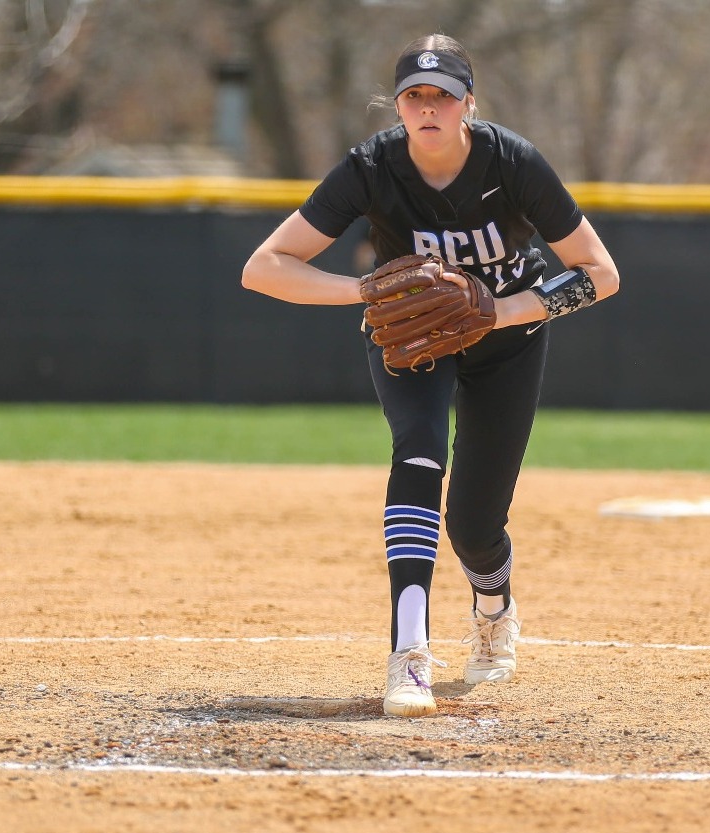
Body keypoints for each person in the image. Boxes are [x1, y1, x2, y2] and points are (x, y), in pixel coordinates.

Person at [242, 33, 620, 717]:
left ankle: (494, 608)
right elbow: (264, 266)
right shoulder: (371, 168)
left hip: (508, 338)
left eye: (442, 95)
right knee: (417, 454)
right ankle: (408, 657)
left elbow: (601, 273)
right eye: (414, 96)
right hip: (414, 337)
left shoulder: (513, 163)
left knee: (475, 525)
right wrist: (369, 292)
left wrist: (496, 310)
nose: (428, 107)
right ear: (397, 107)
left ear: (467, 103)